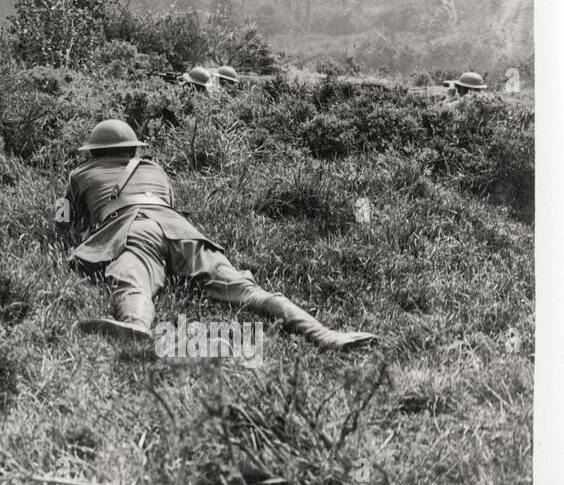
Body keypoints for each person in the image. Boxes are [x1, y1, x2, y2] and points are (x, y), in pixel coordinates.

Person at [61, 118, 376, 351]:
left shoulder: (80, 174)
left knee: (133, 277)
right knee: (245, 288)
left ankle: (136, 326)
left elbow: (64, 220)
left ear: (94, 152)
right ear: (133, 148)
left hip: (133, 226)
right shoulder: (155, 169)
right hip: (181, 228)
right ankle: (324, 334)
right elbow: (167, 204)